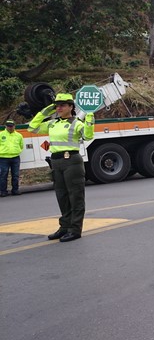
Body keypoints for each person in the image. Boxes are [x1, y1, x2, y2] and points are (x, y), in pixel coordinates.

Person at [28, 93, 95, 242]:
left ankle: (75, 229)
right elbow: (32, 128)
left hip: (72, 161)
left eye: (62, 105)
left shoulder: (77, 123)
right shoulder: (52, 123)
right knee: (62, 196)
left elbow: (88, 136)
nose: (58, 107)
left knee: (75, 196)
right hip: (56, 162)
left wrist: (89, 118)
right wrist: (45, 111)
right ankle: (64, 227)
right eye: (57, 105)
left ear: (71, 107)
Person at [0, 120, 24, 197]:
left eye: (11, 126)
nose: (10, 127)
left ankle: (15, 190)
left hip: (15, 157)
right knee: (3, 175)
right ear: (5, 126)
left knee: (16, 175)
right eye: (8, 126)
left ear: (14, 126)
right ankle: (3, 191)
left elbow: (21, 145)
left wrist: (17, 151)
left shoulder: (19, 135)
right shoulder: (1, 134)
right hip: (3, 158)